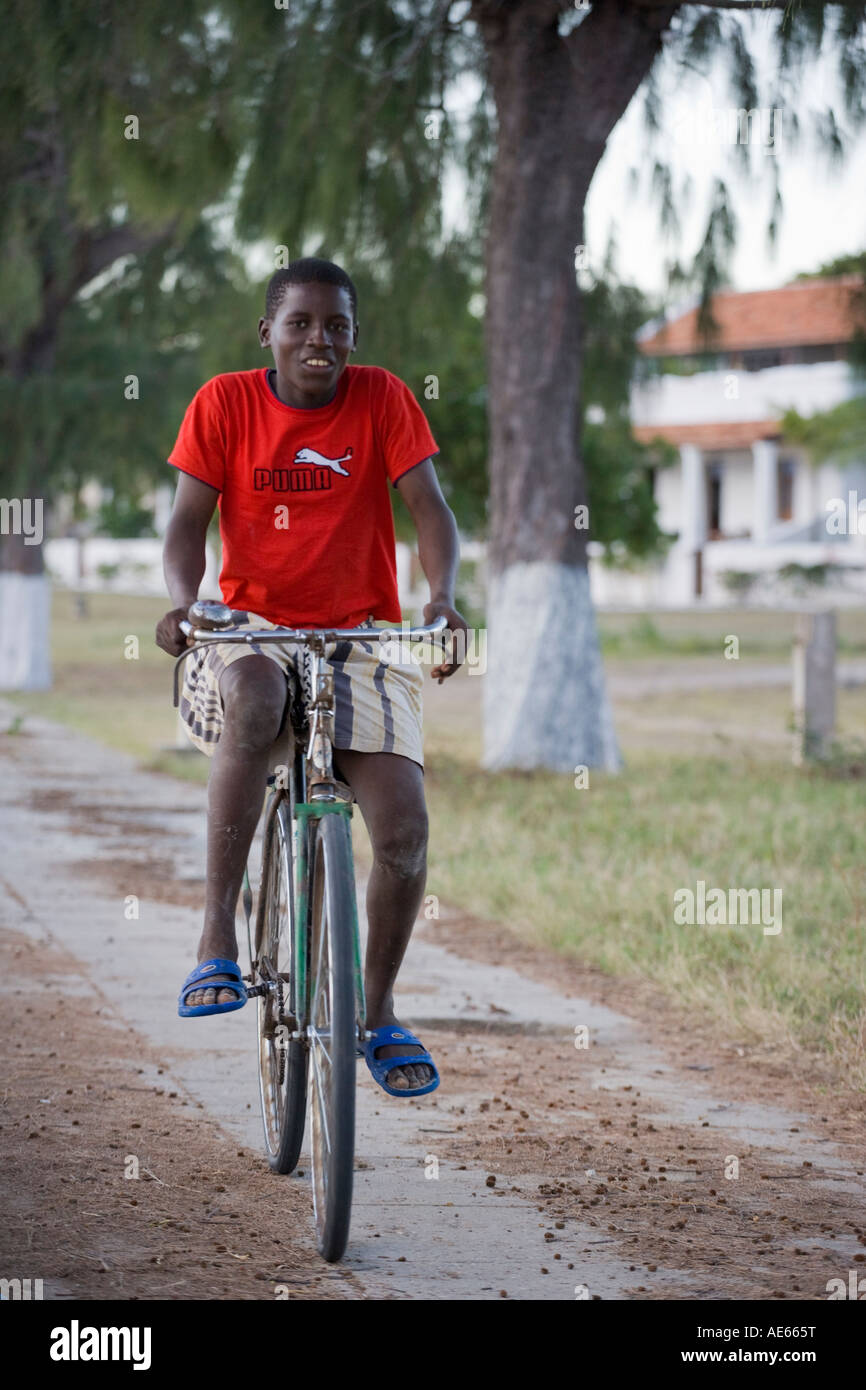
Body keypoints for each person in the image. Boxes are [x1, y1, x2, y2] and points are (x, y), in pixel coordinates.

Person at [155, 257, 467, 1096]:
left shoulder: (385, 399)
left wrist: (441, 600)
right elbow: (187, 523)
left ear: (353, 337)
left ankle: (375, 1012)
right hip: (248, 630)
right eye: (300, 323)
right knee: (257, 698)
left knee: (402, 832)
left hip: (358, 637)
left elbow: (430, 510)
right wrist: (186, 605)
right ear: (269, 333)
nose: (319, 340)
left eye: (337, 326)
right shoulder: (224, 403)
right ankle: (217, 937)